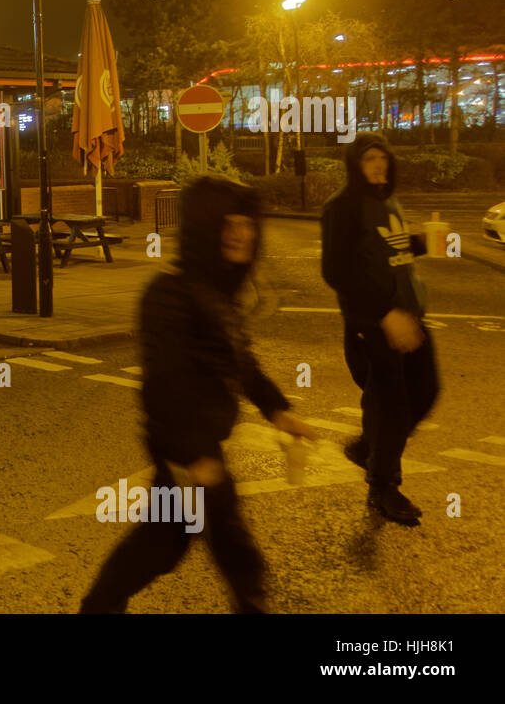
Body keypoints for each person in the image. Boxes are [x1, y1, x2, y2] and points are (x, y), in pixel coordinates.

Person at [79, 176, 316, 614]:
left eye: (247, 224)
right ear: (207, 230)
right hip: (187, 450)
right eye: (230, 224)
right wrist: (193, 455)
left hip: (197, 449)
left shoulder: (217, 293)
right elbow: (163, 384)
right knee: (225, 544)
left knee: (163, 542)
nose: (241, 234)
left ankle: (99, 607)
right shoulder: (168, 295)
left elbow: (242, 362)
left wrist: (280, 411)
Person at [321, 133, 439, 526]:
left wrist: (418, 242)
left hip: (409, 316)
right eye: (369, 159)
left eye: (382, 159)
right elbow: (336, 270)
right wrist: (384, 314)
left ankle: (370, 447)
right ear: (355, 164)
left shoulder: (386, 201)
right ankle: (383, 486)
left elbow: (389, 249)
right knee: (392, 406)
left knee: (427, 390)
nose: (378, 165)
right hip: (373, 324)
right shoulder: (342, 207)